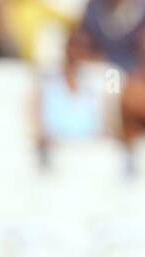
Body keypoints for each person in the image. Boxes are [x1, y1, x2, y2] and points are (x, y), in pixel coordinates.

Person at [33, 27, 119, 163]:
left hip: (91, 153)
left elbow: (110, 125)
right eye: (73, 44)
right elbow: (37, 125)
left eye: (83, 47)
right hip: (55, 153)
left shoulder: (101, 81)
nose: (76, 51)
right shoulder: (45, 80)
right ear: (65, 47)